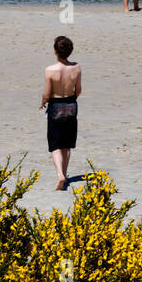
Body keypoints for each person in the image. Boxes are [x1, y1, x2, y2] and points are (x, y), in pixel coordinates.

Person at [41, 35, 81, 190]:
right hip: (71, 103)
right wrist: (71, 99)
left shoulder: (50, 70)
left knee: (55, 144)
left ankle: (60, 176)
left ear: (55, 51)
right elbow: (78, 90)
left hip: (56, 104)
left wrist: (43, 102)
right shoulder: (76, 67)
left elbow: (47, 93)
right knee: (67, 144)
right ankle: (64, 174)